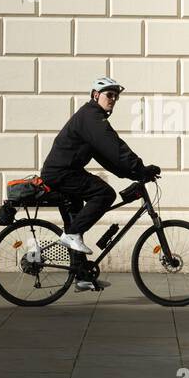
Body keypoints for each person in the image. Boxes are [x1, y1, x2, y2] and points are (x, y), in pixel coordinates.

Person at [41, 76, 160, 287]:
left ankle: (81, 276)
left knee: (77, 221)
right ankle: (71, 234)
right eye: (109, 94)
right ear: (96, 95)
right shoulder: (91, 117)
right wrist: (139, 167)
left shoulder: (92, 119)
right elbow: (114, 146)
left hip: (65, 173)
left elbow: (107, 157)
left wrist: (135, 174)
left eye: (116, 96)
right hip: (62, 173)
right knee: (104, 194)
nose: (113, 99)